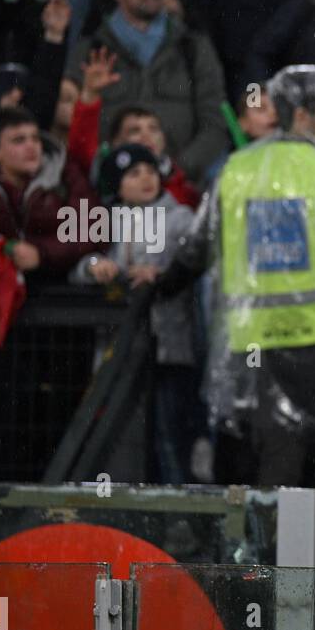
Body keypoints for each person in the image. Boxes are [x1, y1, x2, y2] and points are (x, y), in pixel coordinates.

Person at [141, 65, 315, 488]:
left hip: (255, 355)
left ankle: (273, 557)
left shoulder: (234, 172)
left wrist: (155, 287)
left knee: (272, 487)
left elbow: (193, 254)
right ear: (303, 116)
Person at [69, 142, 200, 483]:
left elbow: (196, 260)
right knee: (121, 436)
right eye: (133, 173)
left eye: (150, 171)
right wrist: (94, 266)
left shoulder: (182, 219)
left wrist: (162, 274)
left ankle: (177, 519)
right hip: (118, 353)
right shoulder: (102, 219)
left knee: (168, 438)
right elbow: (77, 263)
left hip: (169, 349)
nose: (146, 179)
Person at [64, 0, 229, 184]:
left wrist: (176, 170)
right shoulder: (90, 51)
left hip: (184, 183)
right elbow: (74, 126)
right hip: (110, 186)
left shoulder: (193, 47)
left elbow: (215, 124)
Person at [0, 106, 99, 283]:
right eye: (19, 140)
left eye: (35, 138)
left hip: (63, 296)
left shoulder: (66, 177)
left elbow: (93, 233)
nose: (31, 146)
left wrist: (41, 253)